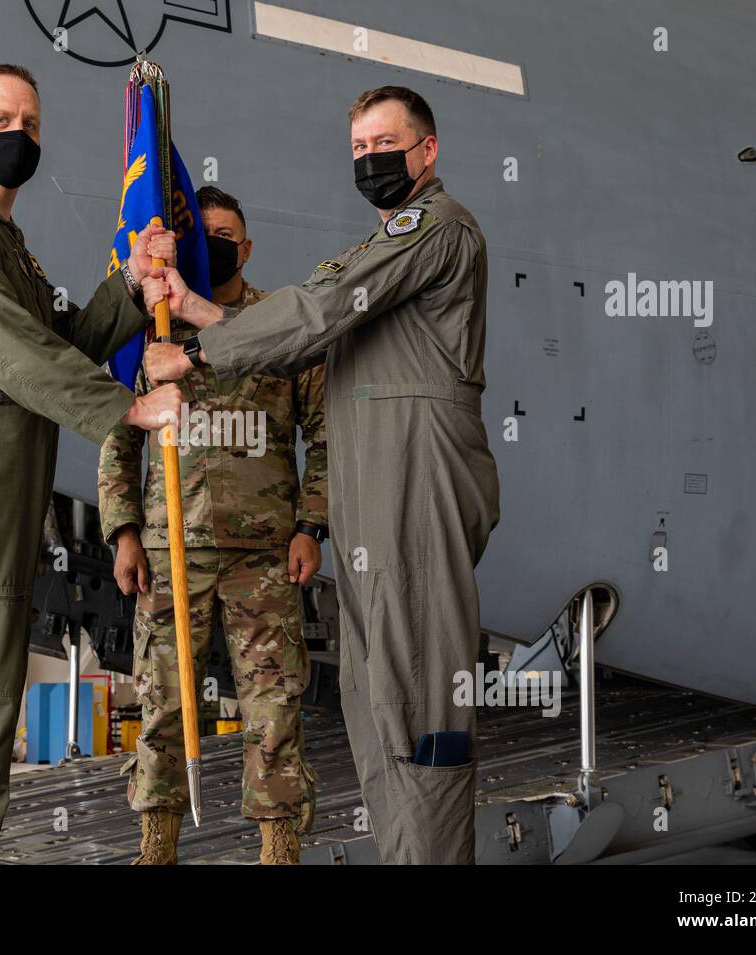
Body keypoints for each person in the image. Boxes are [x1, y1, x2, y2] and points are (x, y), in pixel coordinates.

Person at [140, 86, 501, 864]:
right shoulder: (384, 248)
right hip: (377, 490)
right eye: (360, 148)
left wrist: (196, 349)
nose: (371, 159)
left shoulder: (433, 227)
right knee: (374, 699)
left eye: (386, 144)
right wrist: (202, 310)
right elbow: (317, 324)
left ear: (427, 150)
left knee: (418, 700)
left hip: (416, 479)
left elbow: (323, 308)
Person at [0, 63, 180, 864]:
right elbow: (10, 352)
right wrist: (126, 408)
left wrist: (130, 280)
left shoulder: (6, 243)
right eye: (2, 119)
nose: (19, 135)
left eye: (32, 125)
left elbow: (60, 345)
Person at [98, 186, 328, 865]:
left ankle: (279, 843)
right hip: (173, 552)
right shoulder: (155, 324)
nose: (218, 243)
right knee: (163, 704)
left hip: (264, 557)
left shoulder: (280, 325)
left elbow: (326, 433)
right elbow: (117, 432)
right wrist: (124, 531)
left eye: (229, 234)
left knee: (275, 708)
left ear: (247, 246)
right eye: (207, 234)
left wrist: (311, 524)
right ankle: (156, 844)